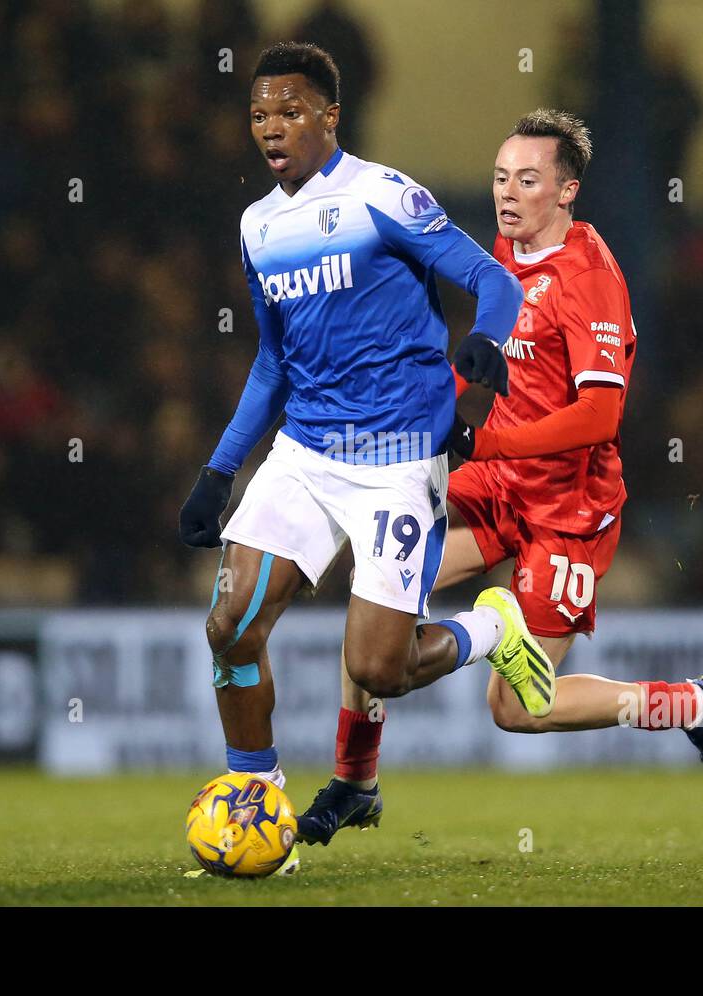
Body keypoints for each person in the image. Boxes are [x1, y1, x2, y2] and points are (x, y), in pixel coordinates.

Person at [298, 109, 703, 847]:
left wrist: (490, 439)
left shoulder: (590, 281)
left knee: (516, 708)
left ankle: (691, 706)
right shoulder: (508, 246)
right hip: (497, 485)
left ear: (567, 192)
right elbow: (502, 364)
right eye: (502, 176)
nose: (507, 193)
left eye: (528, 180)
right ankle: (355, 782)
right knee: (380, 592)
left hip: (569, 506)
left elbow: (600, 418)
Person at [177, 45, 559, 842]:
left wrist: (486, 345)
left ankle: (491, 628)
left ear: (328, 117)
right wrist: (218, 471)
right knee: (229, 626)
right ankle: (256, 799)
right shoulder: (257, 227)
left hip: (397, 461)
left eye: (289, 112)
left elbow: (495, 280)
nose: (271, 129)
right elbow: (275, 361)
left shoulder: (382, 194)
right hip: (307, 452)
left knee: (377, 668)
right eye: (258, 115)